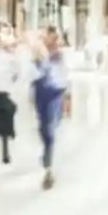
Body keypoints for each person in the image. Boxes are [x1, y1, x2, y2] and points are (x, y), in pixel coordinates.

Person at [33, 30, 71, 190]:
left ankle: (49, 167)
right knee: (43, 129)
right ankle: (47, 152)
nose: (51, 42)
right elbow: (32, 76)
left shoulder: (59, 57)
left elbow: (66, 78)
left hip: (55, 96)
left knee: (49, 129)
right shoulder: (38, 58)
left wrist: (68, 100)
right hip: (41, 95)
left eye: (53, 40)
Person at [0, 25, 21, 165]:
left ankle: (2, 149)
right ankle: (4, 150)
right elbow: (15, 74)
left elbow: (15, 73)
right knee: (3, 123)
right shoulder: (5, 56)